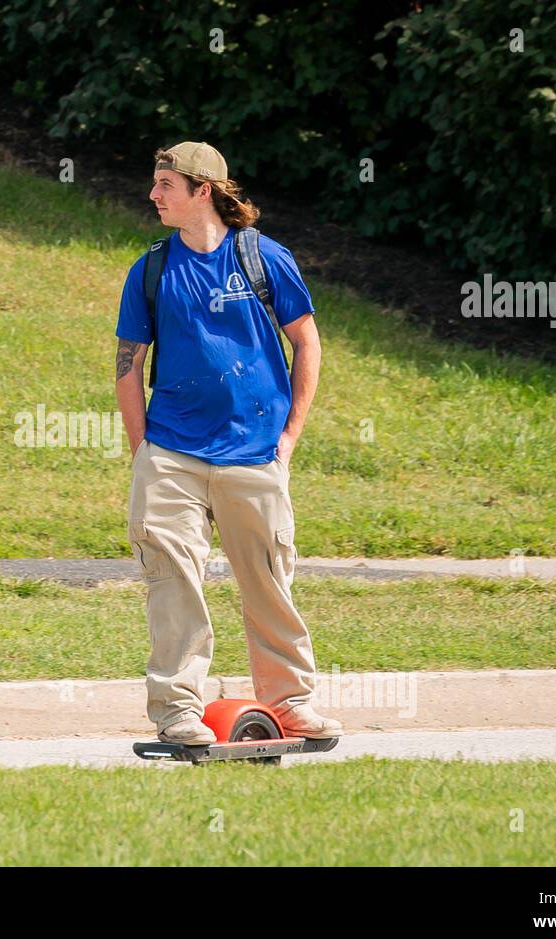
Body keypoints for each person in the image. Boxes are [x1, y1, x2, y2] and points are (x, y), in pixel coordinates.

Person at [114, 140, 341, 745]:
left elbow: (308, 344)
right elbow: (126, 365)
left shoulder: (266, 260)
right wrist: (146, 451)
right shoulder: (152, 268)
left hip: (254, 453)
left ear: (203, 190)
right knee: (173, 580)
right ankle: (178, 711)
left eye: (165, 184)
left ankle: (290, 702)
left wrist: (288, 438)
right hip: (172, 455)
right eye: (155, 182)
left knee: (268, 581)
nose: (153, 194)